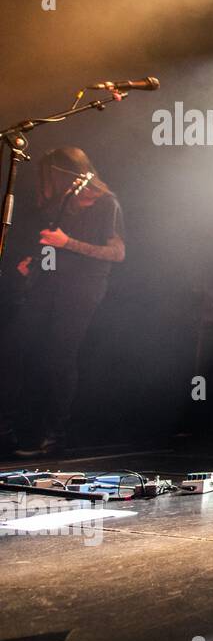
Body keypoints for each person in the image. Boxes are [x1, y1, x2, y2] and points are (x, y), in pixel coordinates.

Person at [0, 147, 126, 457]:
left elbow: (116, 253)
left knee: (59, 357)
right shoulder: (63, 204)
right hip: (48, 286)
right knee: (15, 348)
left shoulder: (106, 204)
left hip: (82, 290)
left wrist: (66, 243)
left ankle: (54, 435)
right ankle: (7, 429)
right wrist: (36, 260)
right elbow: (54, 251)